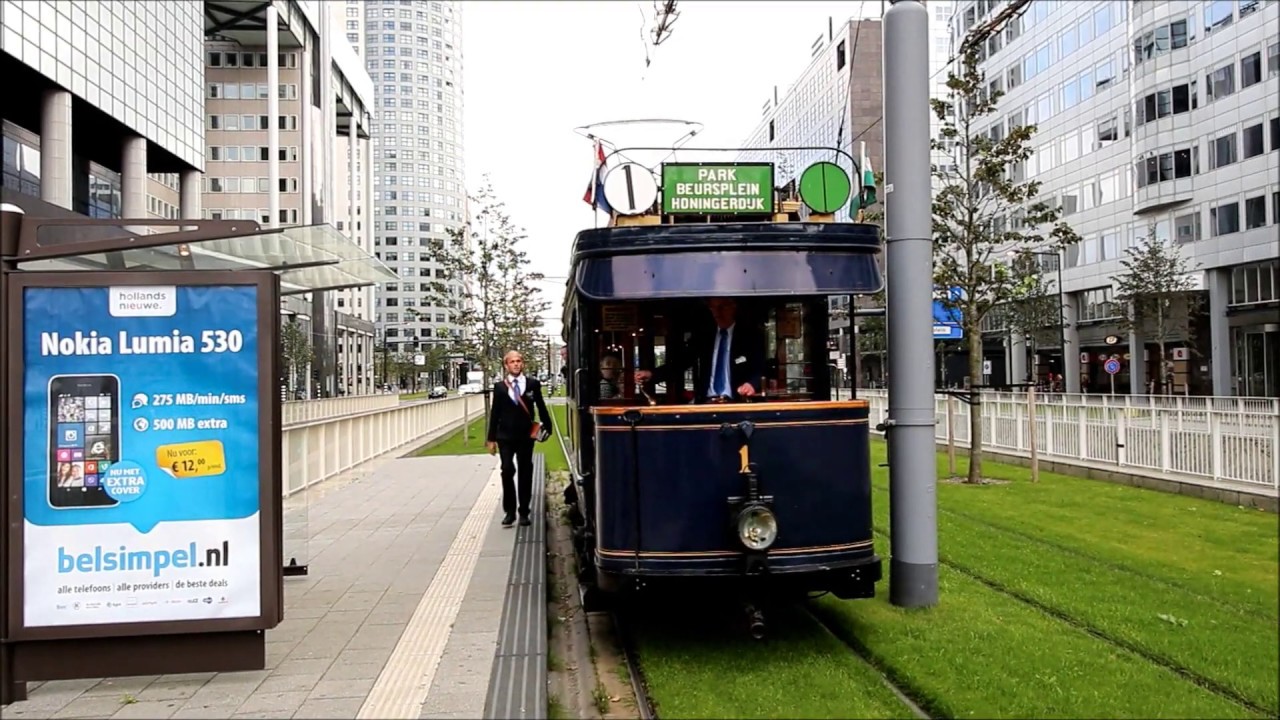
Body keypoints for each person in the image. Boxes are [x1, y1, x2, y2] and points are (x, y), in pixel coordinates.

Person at [635, 297, 765, 402]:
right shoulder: (704, 336)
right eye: (713, 308)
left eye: (722, 307)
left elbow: (760, 367)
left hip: (737, 405)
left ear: (733, 306)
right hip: (706, 404)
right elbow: (682, 362)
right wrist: (652, 374)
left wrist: (751, 384)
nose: (717, 313)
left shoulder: (749, 337)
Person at [486, 350, 553, 527]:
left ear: (522, 364)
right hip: (505, 437)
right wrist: (491, 438)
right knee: (507, 470)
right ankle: (509, 511)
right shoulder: (500, 387)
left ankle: (524, 511)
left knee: (525, 471)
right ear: (506, 365)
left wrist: (548, 426)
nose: (516, 364)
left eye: (519, 361)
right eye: (512, 362)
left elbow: (541, 406)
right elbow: (495, 413)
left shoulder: (532, 384)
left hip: (525, 436)